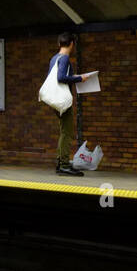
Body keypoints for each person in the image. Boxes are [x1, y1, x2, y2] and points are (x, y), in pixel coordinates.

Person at [49, 32, 87, 176]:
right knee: (67, 132)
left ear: (59, 44)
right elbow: (61, 78)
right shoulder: (64, 58)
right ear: (72, 44)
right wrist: (79, 78)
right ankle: (64, 165)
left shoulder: (54, 58)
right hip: (62, 100)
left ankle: (60, 163)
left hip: (54, 99)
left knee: (64, 131)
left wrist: (73, 77)